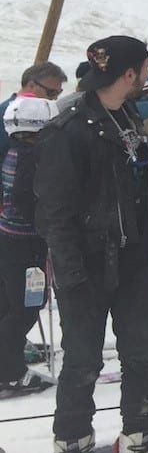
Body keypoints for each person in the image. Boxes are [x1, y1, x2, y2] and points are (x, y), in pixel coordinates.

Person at [35, 35, 148, 453]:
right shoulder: (67, 128)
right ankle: (73, 441)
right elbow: (54, 212)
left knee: (141, 354)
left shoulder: (125, 114)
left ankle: (142, 434)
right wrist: (71, 276)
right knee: (83, 361)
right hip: (87, 266)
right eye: (145, 68)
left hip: (135, 261)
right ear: (129, 74)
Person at [0, 96, 58, 396]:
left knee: (9, 304)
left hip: (9, 238)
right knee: (26, 306)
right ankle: (8, 370)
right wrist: (45, 224)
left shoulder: (14, 150)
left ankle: (7, 362)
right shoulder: (32, 157)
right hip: (25, 242)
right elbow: (24, 198)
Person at [0, 61, 66, 156]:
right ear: (31, 85)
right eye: (51, 92)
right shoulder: (5, 112)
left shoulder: (44, 113)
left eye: (58, 93)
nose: (55, 98)